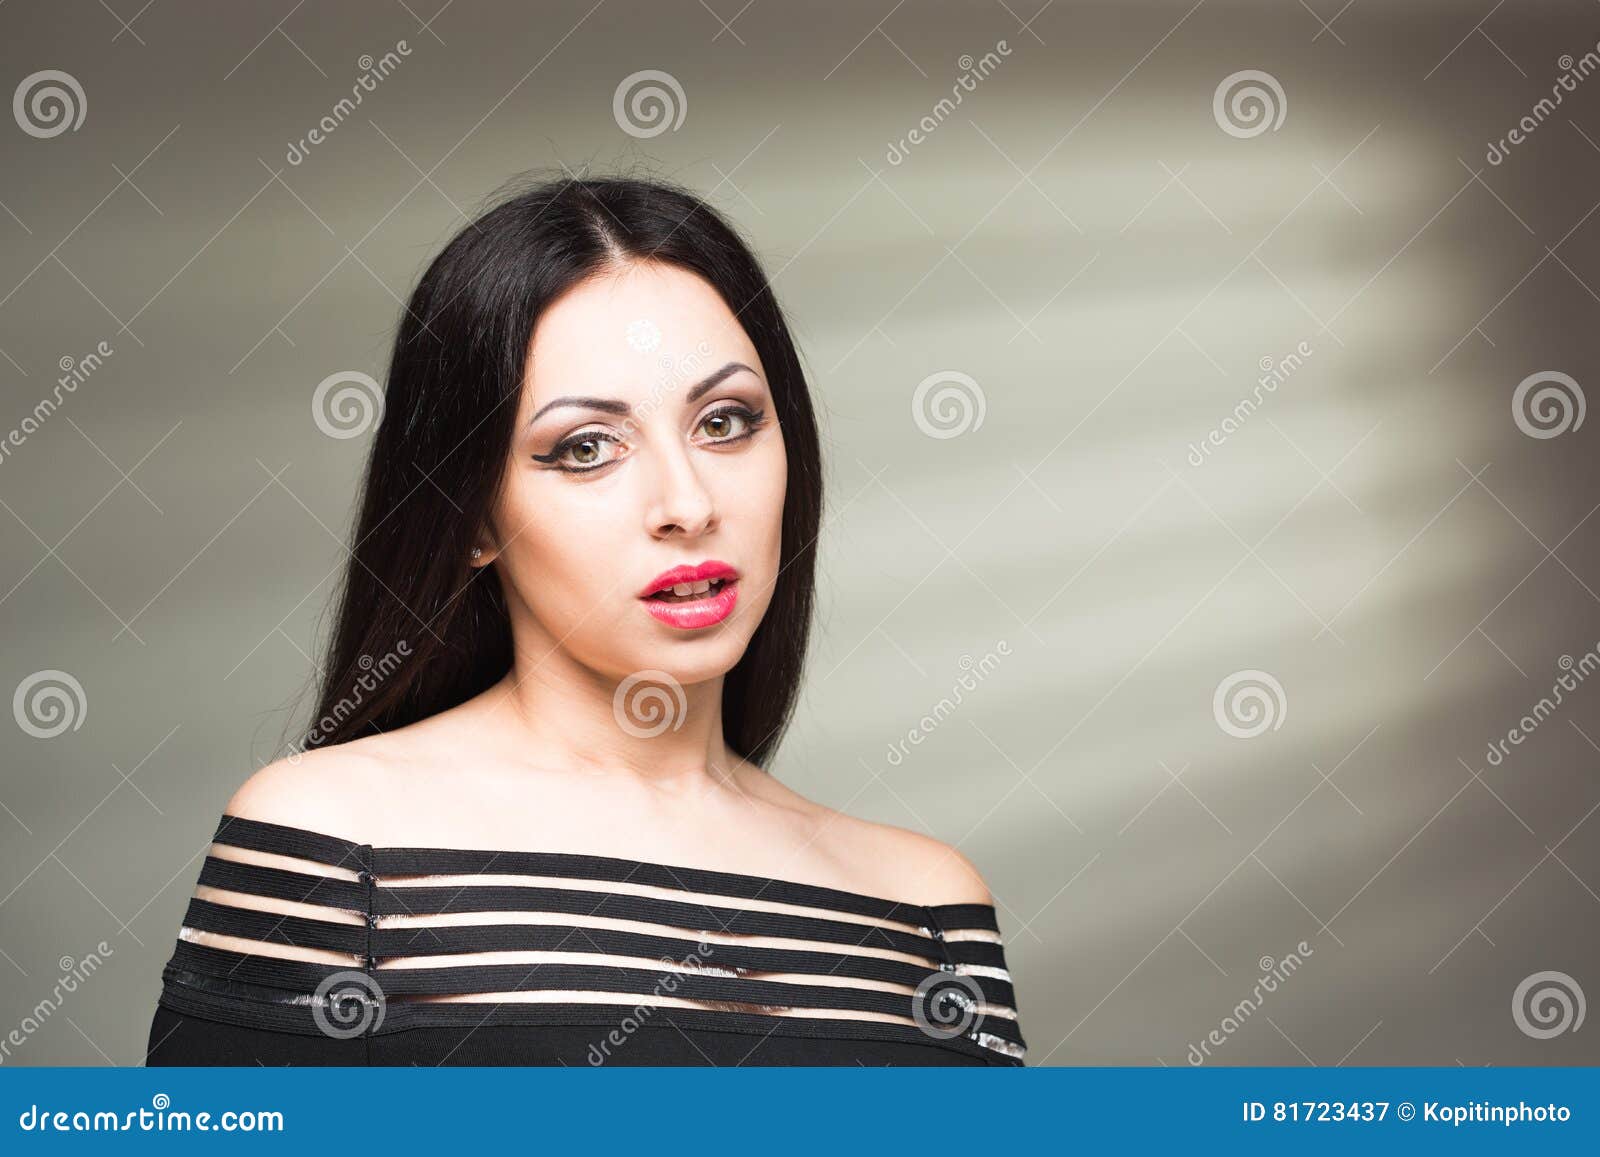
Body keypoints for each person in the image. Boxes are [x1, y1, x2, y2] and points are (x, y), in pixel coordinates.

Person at [145, 173, 1026, 1066]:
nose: (687, 503)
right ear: (473, 517)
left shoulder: (925, 908)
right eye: (586, 447)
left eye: (725, 421)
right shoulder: (336, 848)